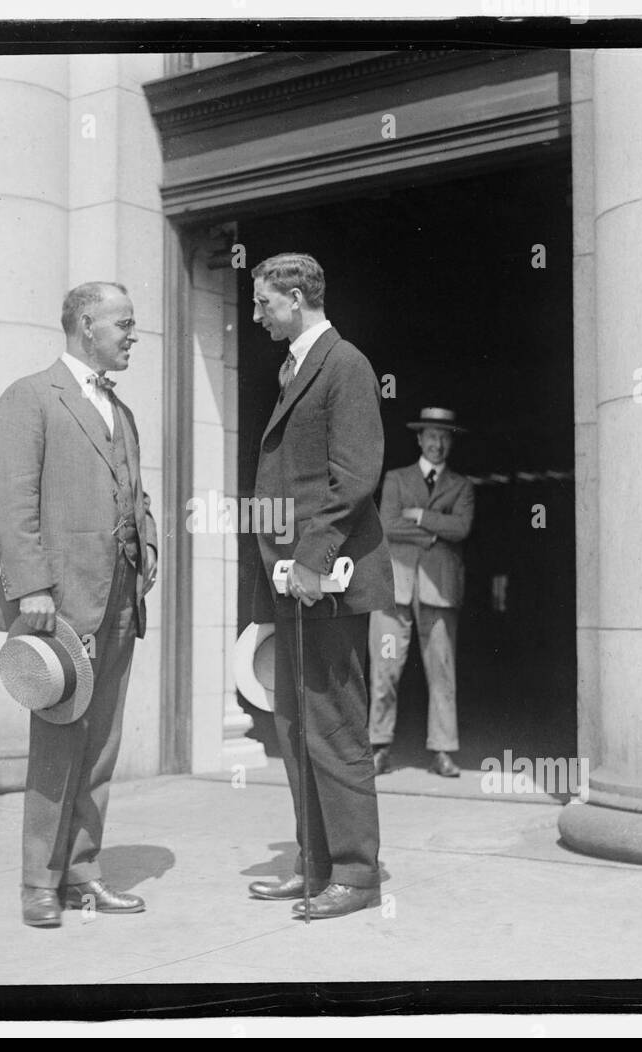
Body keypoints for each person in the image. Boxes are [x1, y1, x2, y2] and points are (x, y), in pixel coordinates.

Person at [0, 282, 157, 929]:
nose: (133, 335)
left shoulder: (121, 411)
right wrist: (31, 586)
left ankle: (83, 875)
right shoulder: (30, 397)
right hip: (57, 607)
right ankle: (39, 882)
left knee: (102, 745)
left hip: (118, 603)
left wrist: (151, 547)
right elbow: (8, 501)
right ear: (87, 326)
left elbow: (134, 497)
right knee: (59, 745)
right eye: (125, 324)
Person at [246, 252, 394, 921]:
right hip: (293, 586)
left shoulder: (345, 365)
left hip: (324, 584)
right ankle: (315, 865)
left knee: (333, 728)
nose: (256, 314)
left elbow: (355, 474)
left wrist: (310, 559)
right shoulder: (297, 368)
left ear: (298, 296)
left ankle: (357, 876)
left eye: (264, 303)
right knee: (296, 727)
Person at [369, 407, 474, 778]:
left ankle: (443, 752)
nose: (437, 443)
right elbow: (387, 525)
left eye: (444, 437)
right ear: (419, 438)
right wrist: (432, 533)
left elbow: (461, 528)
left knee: (442, 672)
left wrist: (419, 516)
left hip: (440, 590)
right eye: (431, 436)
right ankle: (379, 747)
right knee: (385, 669)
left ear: (451, 442)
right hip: (393, 587)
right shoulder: (396, 478)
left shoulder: (462, 486)